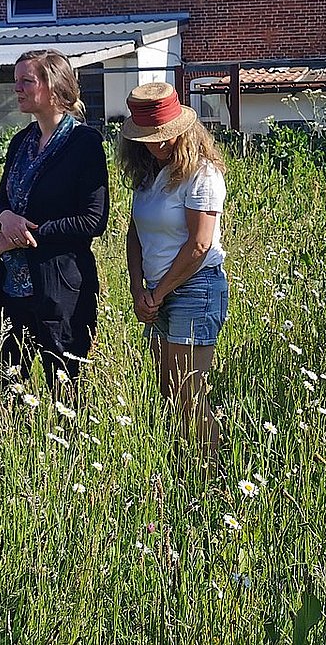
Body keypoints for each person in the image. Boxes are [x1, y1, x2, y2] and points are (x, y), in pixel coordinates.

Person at [0, 49, 110, 392]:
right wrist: (6, 217)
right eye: (16, 81)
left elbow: (93, 220)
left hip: (60, 287)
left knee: (65, 388)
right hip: (11, 286)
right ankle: (9, 444)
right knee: (4, 387)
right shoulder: (21, 142)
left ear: (53, 87)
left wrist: (20, 235)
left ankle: (68, 449)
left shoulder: (83, 144)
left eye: (27, 81)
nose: (18, 89)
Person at [118, 82, 228, 465]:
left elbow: (199, 245)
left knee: (189, 392)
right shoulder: (148, 176)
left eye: (164, 136)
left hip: (194, 288)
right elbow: (135, 232)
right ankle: (185, 468)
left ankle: (212, 477)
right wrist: (138, 289)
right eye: (149, 138)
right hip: (156, 291)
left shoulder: (203, 174)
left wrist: (158, 292)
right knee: (168, 389)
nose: (158, 145)